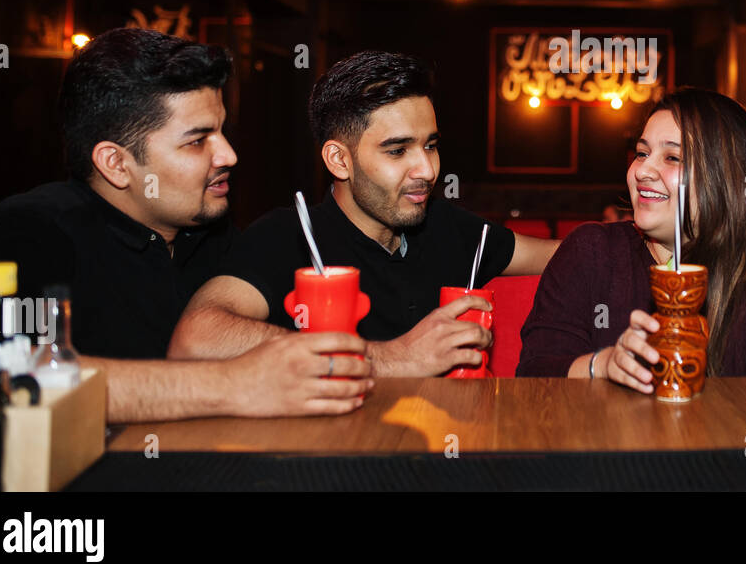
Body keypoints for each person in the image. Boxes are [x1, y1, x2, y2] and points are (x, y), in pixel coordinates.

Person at [0, 28, 370, 422]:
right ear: (116, 164)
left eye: (222, 131)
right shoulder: (24, 232)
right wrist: (232, 385)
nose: (228, 154)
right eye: (197, 140)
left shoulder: (211, 235)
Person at [170, 51, 560, 376]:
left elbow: (564, 253)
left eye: (430, 146)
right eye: (397, 150)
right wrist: (392, 358)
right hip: (331, 461)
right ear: (339, 159)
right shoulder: (290, 236)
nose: (426, 169)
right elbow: (195, 340)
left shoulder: (448, 227)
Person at [517, 88, 746, 389]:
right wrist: (601, 365)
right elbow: (534, 374)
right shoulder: (593, 250)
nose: (644, 170)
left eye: (673, 157)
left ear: (725, 175)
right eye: (642, 153)